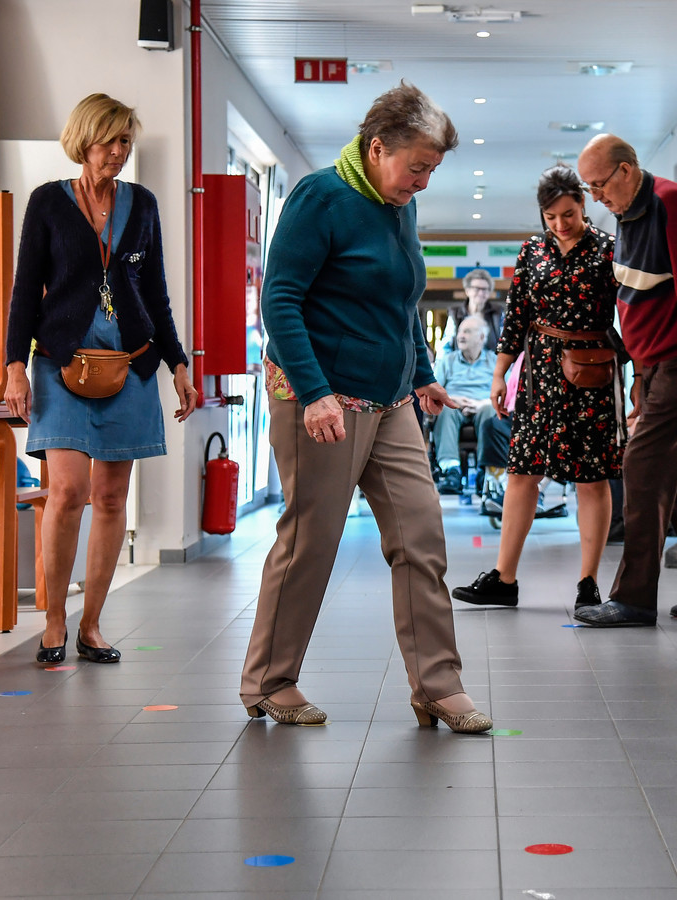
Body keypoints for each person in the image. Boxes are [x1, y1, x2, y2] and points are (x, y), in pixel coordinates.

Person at [239, 82, 491, 734]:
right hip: (321, 399)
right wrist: (317, 392)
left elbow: (401, 306)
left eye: (433, 170)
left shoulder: (398, 205)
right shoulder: (321, 197)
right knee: (311, 543)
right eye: (417, 167)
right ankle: (271, 680)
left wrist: (426, 374)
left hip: (392, 400)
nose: (424, 182)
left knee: (422, 537)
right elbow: (281, 303)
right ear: (377, 147)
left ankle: (437, 685)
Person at [5, 93, 198, 664]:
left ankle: (91, 623)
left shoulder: (142, 205)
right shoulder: (47, 203)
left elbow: (156, 293)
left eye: (126, 143)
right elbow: (24, 290)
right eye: (110, 141)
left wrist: (178, 363)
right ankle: (53, 620)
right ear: (83, 140)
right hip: (61, 361)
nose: (119, 152)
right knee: (67, 491)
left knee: (112, 498)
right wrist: (16, 367)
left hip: (131, 361)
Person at [572, 133, 677, 626]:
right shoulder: (627, 216)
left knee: (643, 466)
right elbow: (635, 302)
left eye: (600, 184)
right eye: (590, 189)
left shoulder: (671, 202)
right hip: (653, 367)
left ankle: (633, 598)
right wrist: (636, 376)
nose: (597, 197)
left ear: (626, 170)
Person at [452, 165, 622, 610]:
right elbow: (516, 317)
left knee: (591, 478)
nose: (561, 225)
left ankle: (588, 582)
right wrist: (499, 374)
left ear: (583, 204)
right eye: (551, 217)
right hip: (540, 374)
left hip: (591, 373)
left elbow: (631, 318)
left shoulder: (607, 250)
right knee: (523, 471)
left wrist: (639, 375)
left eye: (569, 214)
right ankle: (504, 578)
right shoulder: (532, 250)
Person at [432, 315, 497, 494]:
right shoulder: (448, 361)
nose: (461, 335)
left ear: (482, 338)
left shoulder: (494, 360)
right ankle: (451, 471)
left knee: (489, 409)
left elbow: (505, 394)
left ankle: (485, 470)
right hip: (454, 404)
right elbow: (435, 389)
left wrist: (482, 403)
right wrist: (452, 400)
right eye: (460, 331)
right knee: (445, 408)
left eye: (467, 332)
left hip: (483, 404)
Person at [440, 268, 503, 352]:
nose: (481, 293)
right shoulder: (455, 314)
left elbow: (504, 344)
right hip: (459, 364)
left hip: (491, 364)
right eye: (476, 288)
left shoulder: (498, 314)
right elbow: (446, 346)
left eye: (485, 289)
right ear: (467, 291)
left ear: (489, 293)